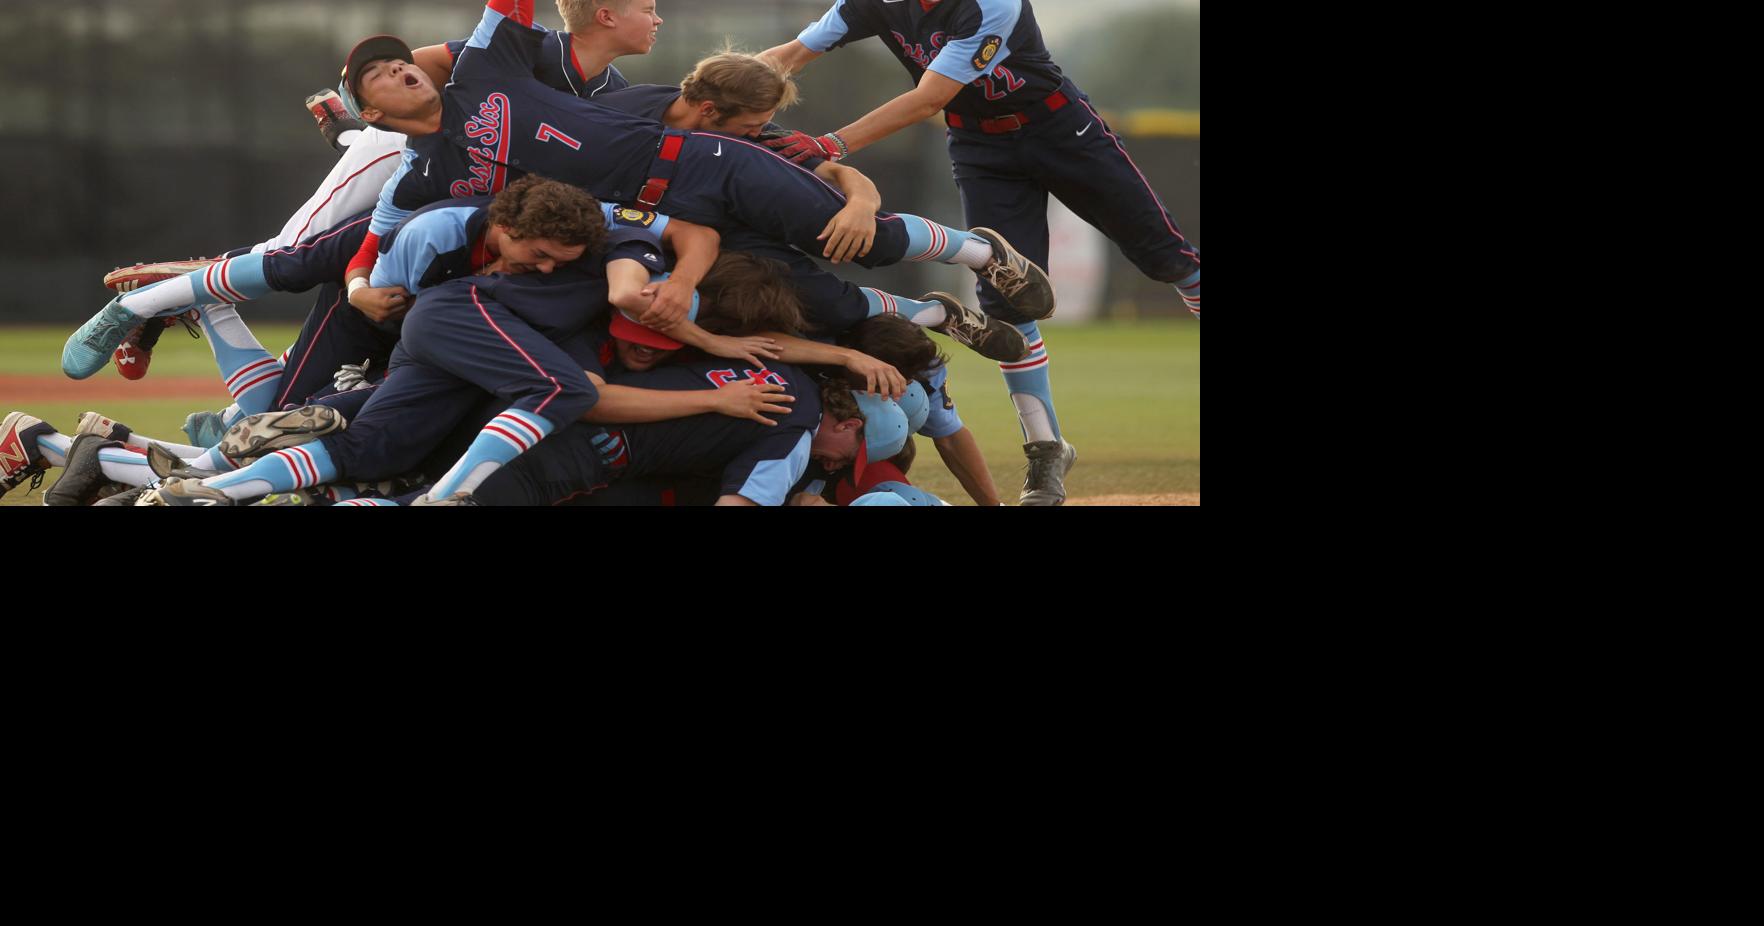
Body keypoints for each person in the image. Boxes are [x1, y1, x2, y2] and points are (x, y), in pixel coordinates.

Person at [760, 0, 1202, 504]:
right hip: (980, 146)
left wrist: (831, 143)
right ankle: (1046, 448)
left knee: (1169, 259)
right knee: (1005, 306)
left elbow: (930, 98)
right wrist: (717, 94)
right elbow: (790, 54)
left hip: (1059, 129)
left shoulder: (991, 3)